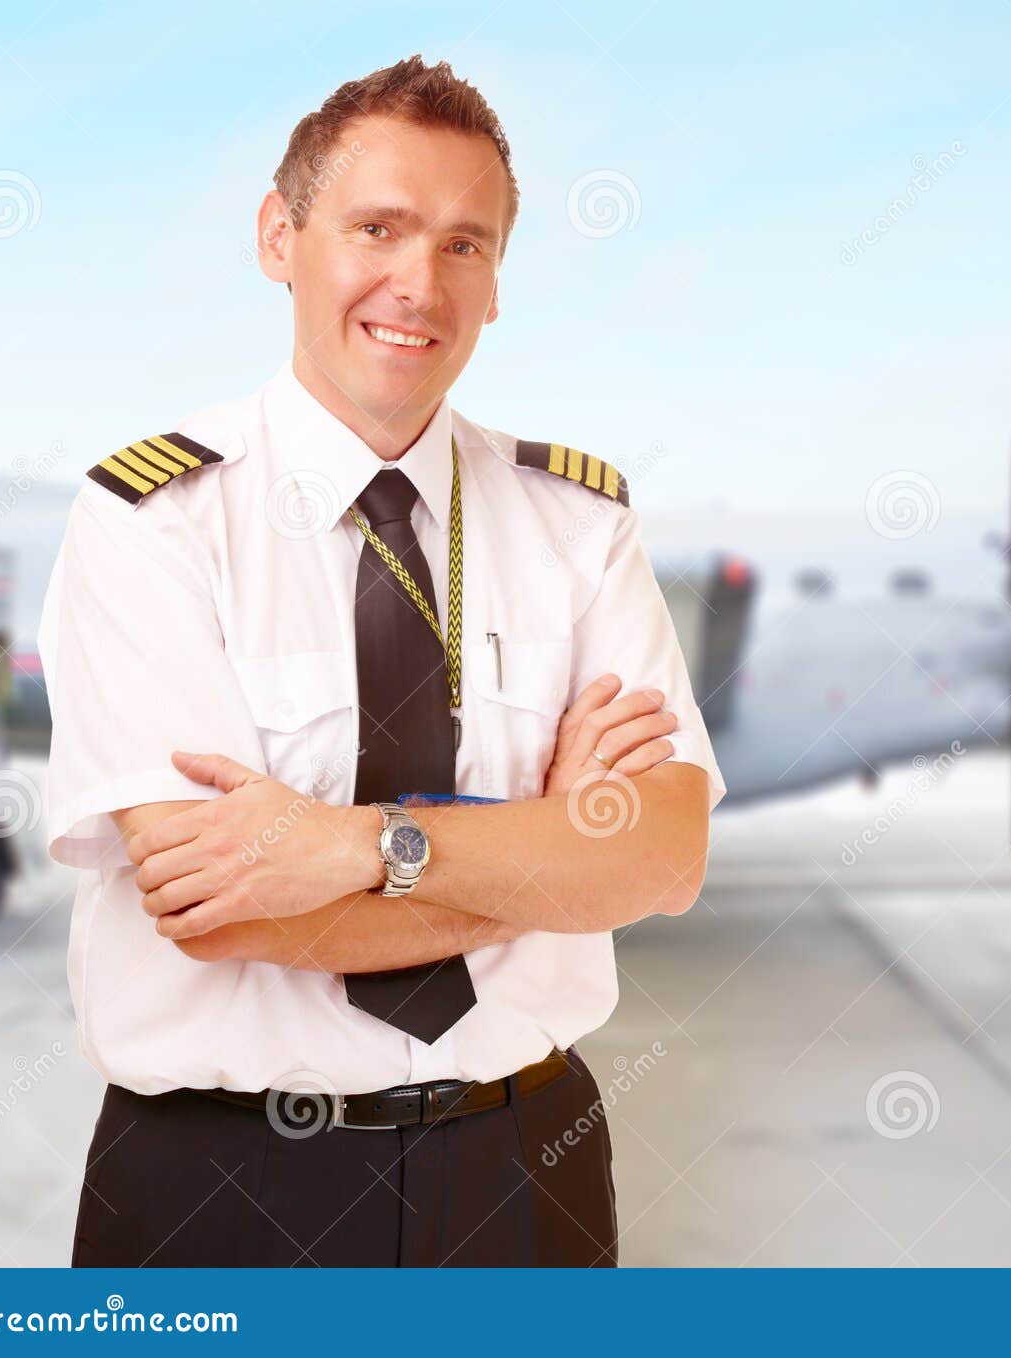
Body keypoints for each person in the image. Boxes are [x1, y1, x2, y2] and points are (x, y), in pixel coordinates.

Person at [38, 54, 725, 1268]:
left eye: (466, 243)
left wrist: (351, 848)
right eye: (378, 227)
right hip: (220, 1182)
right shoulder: (152, 519)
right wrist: (552, 846)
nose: (420, 282)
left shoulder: (578, 522)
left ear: (499, 281)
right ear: (279, 236)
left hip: (528, 1167)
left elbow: (661, 855)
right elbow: (216, 906)